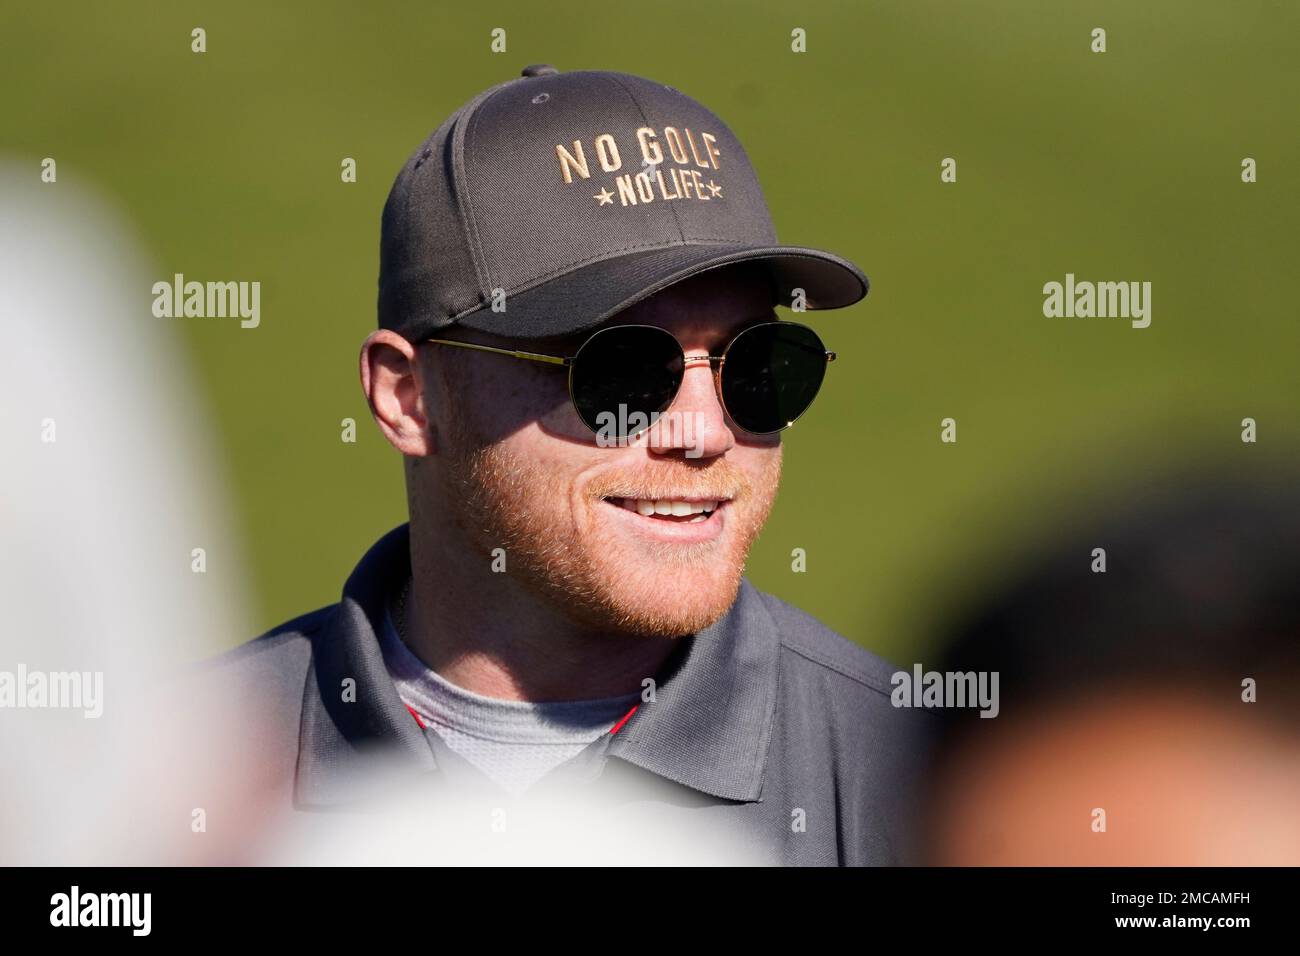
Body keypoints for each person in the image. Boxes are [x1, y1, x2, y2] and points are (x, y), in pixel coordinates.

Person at [212, 65, 932, 865]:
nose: (703, 431)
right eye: (620, 369)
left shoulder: (926, 786)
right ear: (409, 397)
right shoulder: (169, 786)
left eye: (756, 363)